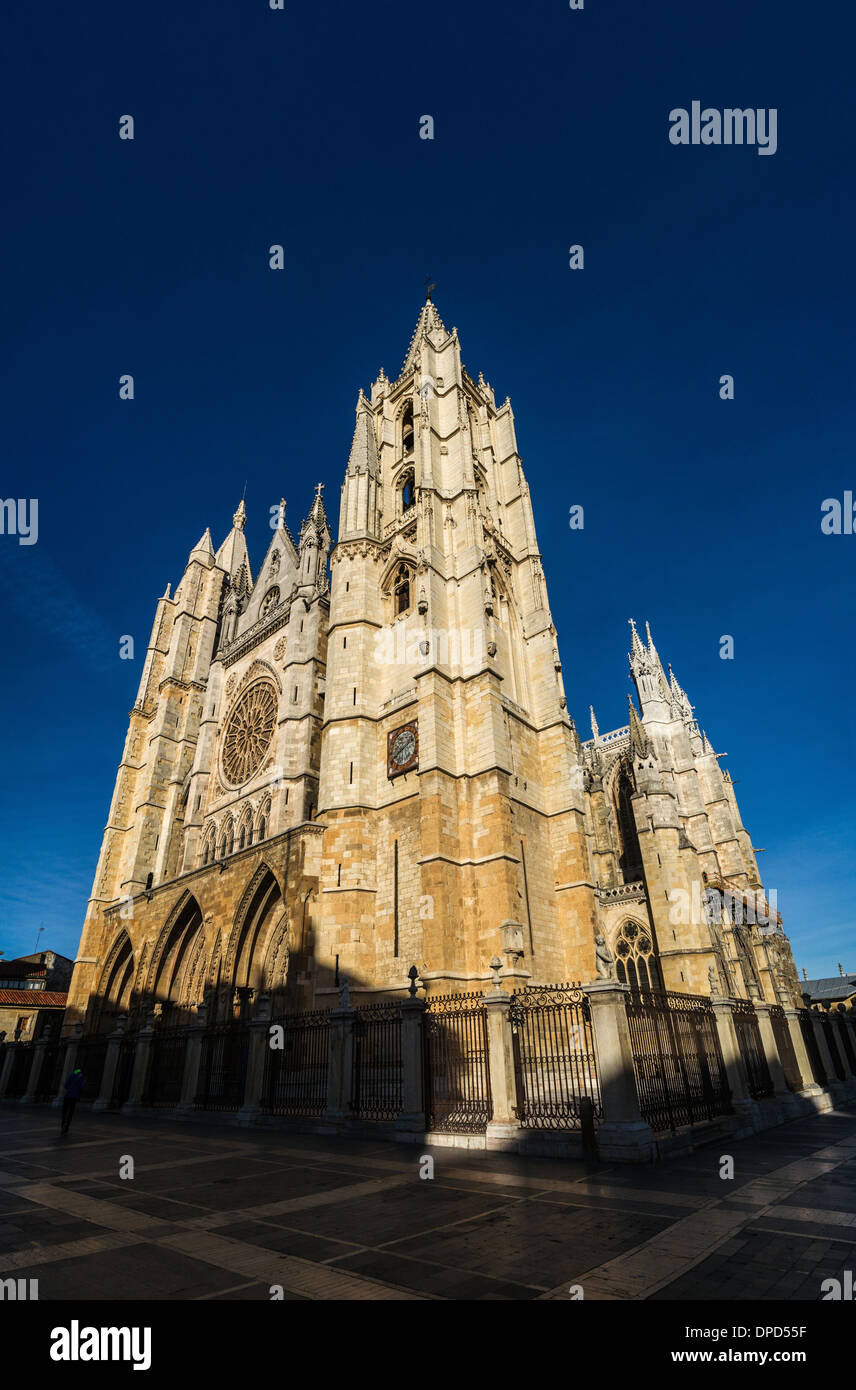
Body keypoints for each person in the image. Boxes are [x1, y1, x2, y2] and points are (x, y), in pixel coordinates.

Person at [60, 1067, 84, 1134]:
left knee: (64, 1111)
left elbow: (66, 1085)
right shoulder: (80, 1077)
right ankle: (67, 1125)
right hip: (74, 1096)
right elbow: (81, 1087)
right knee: (70, 1112)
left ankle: (63, 1123)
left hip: (68, 1095)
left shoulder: (71, 1075)